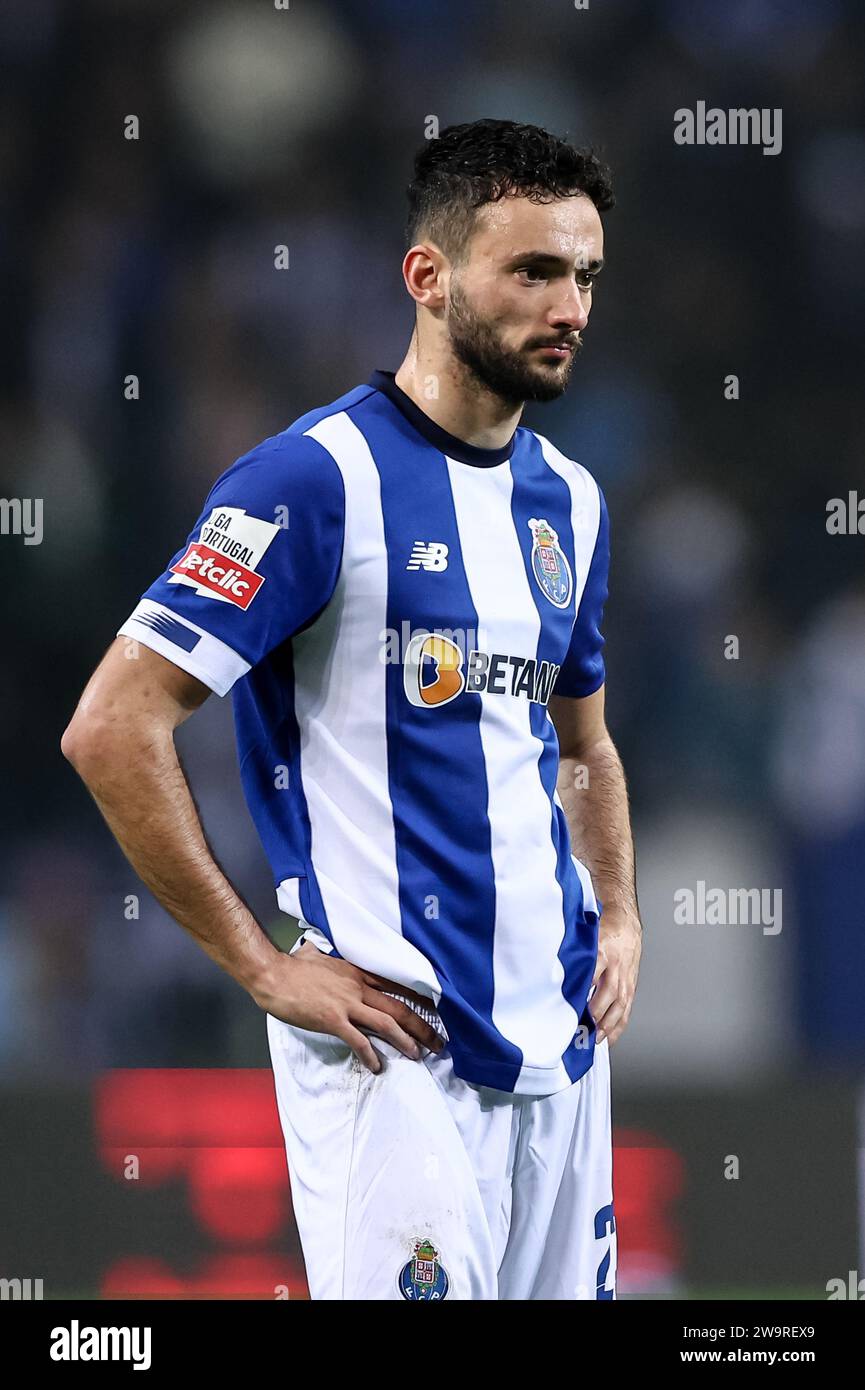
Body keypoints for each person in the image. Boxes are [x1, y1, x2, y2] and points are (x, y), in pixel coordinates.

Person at [62, 119, 643, 1301]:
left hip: (562, 1053)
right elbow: (112, 723)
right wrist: (264, 967)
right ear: (427, 279)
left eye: (583, 274)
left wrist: (620, 915)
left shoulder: (569, 503)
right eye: (531, 270)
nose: (569, 305)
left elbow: (581, 741)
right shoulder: (310, 480)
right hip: (395, 1052)